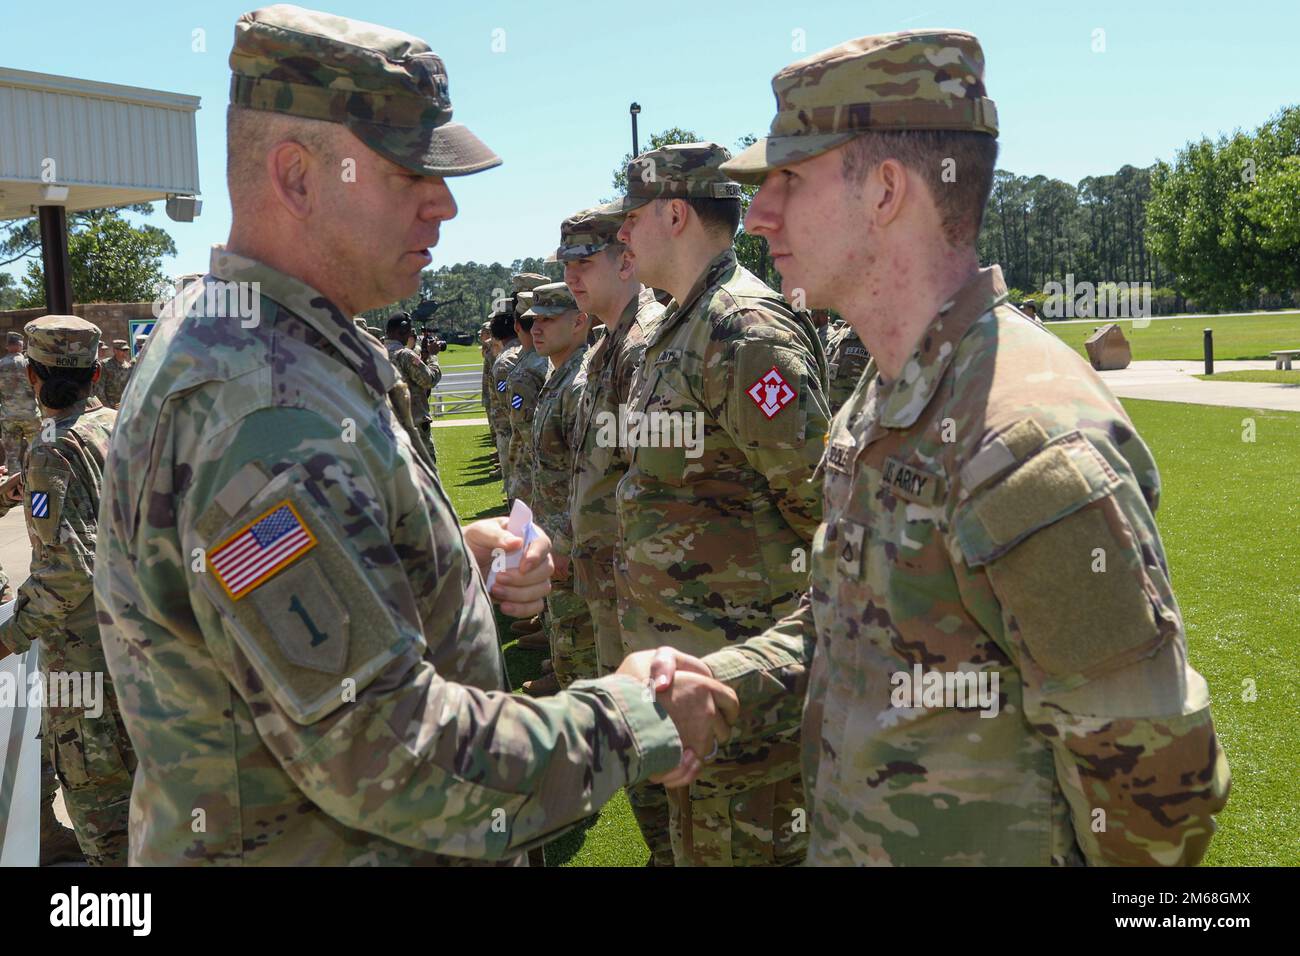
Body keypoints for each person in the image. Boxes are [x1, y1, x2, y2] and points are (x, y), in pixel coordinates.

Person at [93, 4, 736, 866]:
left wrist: (444, 559)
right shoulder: (258, 408)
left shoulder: (277, 349)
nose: (445, 205)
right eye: (408, 173)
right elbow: (391, 757)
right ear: (296, 177)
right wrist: (634, 715)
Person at [640, 28, 1231, 866]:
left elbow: (1157, 805)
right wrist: (721, 686)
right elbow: (846, 623)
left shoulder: (1023, 444)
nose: (759, 213)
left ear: (885, 190)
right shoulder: (887, 399)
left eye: (789, 179)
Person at [608, 141, 830, 866]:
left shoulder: (743, 331)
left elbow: (821, 514)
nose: (620, 235)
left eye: (629, 217)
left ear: (674, 214)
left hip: (744, 698)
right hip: (691, 689)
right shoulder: (680, 324)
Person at [0, 315, 137, 866]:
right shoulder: (121, 426)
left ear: (32, 377)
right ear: (96, 371)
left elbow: (66, 575)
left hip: (83, 660)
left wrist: (8, 636)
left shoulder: (52, 450)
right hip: (140, 644)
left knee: (104, 814)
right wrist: (20, 488)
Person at [519, 283, 594, 695]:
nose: (537, 328)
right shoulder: (559, 377)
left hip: (573, 542)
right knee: (567, 634)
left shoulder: (579, 385)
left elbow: (592, 474)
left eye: (549, 319)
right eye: (533, 320)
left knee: (582, 647)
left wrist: (565, 540)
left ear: (579, 321)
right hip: (554, 533)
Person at [385, 312, 440, 464]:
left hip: (390, 424)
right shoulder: (405, 355)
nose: (409, 335)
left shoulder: (377, 352)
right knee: (427, 471)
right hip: (414, 424)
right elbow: (428, 380)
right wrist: (433, 357)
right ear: (401, 330)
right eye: (408, 331)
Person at [0, 331, 41, 474]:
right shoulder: (28, 364)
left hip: (8, 416)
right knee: (37, 449)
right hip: (30, 415)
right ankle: (34, 479)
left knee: (11, 457)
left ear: (7, 346)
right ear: (20, 345)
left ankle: (15, 488)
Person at [95, 339, 134, 409]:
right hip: (109, 407)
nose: (125, 352)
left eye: (126, 350)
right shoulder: (105, 365)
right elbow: (99, 388)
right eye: (123, 350)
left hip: (124, 407)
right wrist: (107, 407)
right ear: (115, 351)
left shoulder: (129, 367)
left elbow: (131, 388)